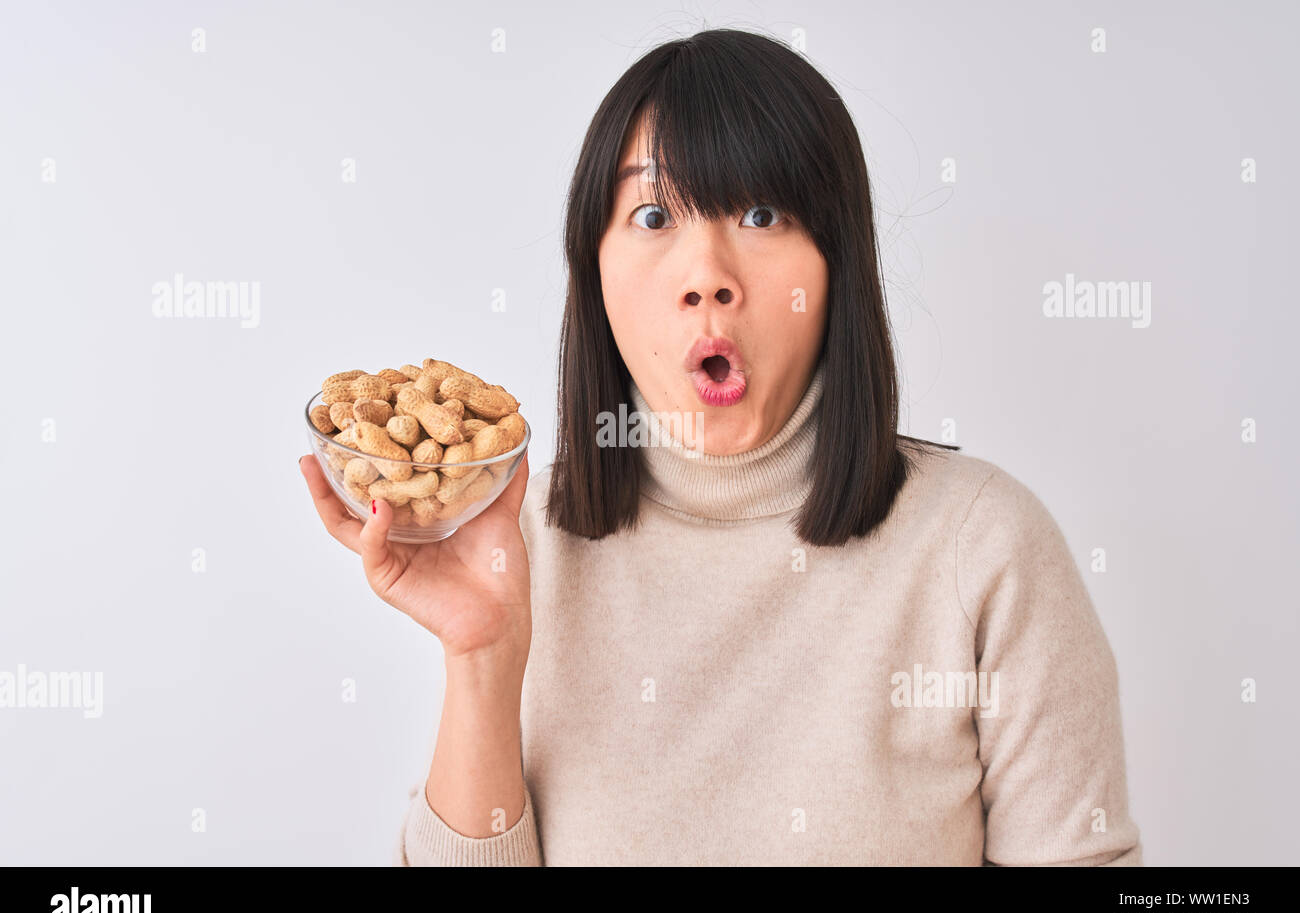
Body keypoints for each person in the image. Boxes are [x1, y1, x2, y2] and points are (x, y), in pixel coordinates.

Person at [300, 28, 1142, 866]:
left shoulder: (983, 547)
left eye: (763, 212)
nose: (707, 271)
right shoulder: (519, 547)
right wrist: (482, 657)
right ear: (593, 273)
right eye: (654, 214)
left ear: (837, 261)